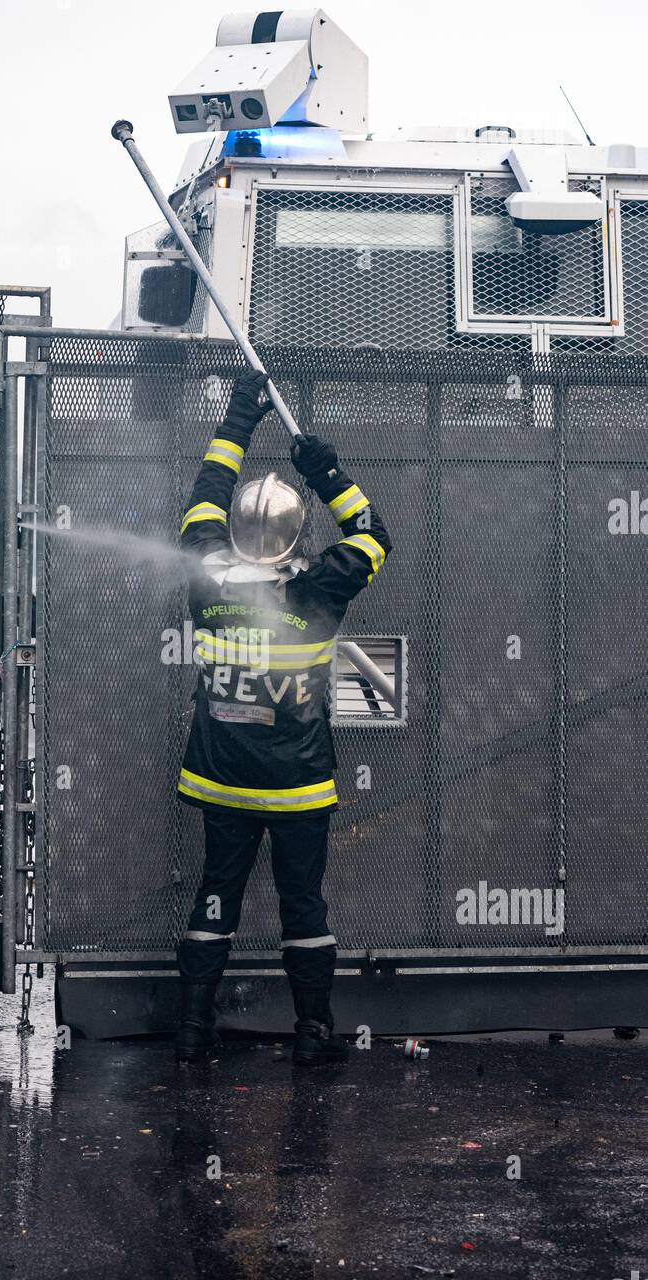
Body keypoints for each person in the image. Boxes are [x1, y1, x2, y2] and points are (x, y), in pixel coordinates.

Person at [175, 369, 392, 1066]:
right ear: (296, 533)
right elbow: (371, 533)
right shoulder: (321, 587)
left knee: (216, 895)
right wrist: (326, 472)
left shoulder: (204, 571)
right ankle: (311, 1034)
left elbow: (204, 495)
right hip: (296, 784)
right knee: (302, 904)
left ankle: (190, 1031)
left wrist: (241, 414)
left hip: (219, 778)